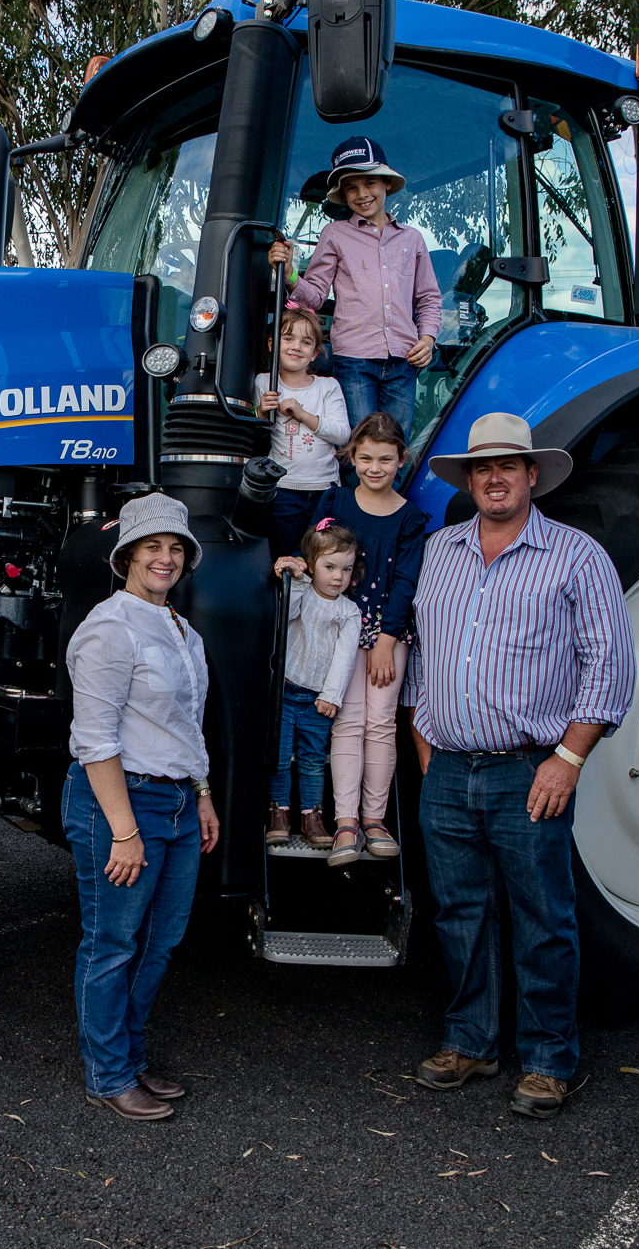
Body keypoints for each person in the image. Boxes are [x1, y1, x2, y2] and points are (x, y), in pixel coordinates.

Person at [406, 412, 635, 1120]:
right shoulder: (440, 550)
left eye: (508, 465)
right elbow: (422, 651)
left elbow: (610, 663)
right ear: (470, 479)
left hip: (528, 770)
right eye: (483, 467)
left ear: (533, 474)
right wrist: (424, 737)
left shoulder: (577, 556)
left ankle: (546, 1059)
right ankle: (470, 1042)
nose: (495, 478)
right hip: (447, 769)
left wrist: (568, 758)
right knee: (459, 915)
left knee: (543, 918)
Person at [63, 492, 222, 1122]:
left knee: (160, 941)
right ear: (127, 555)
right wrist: (124, 831)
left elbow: (187, 726)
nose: (165, 558)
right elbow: (94, 740)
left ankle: (129, 1058)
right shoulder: (109, 628)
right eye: (152, 546)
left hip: (177, 801)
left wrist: (202, 795)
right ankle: (108, 1075)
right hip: (121, 802)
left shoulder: (184, 631)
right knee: (112, 943)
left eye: (175, 548)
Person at [276, 413, 429, 867]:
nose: (375, 468)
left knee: (380, 722)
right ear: (352, 457)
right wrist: (292, 564)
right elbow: (311, 552)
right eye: (365, 458)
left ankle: (374, 819)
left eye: (385, 459)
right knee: (347, 721)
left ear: (401, 460)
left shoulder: (410, 517)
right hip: (336, 628)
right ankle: (345, 821)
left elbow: (405, 582)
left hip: (386, 632)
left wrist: (386, 641)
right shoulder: (336, 500)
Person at [266, 135, 442, 442]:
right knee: (357, 444)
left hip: (403, 360)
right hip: (354, 360)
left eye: (369, 183)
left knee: (395, 447)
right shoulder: (334, 235)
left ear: (386, 183)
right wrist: (290, 273)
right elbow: (315, 297)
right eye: (351, 187)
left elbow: (428, 298)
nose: (362, 194)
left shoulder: (411, 239)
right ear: (343, 193)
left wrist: (427, 339)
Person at [267, 523, 361, 848]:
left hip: (317, 699)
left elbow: (345, 657)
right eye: (330, 567)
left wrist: (331, 695)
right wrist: (295, 578)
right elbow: (287, 614)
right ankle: (278, 812)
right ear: (311, 564)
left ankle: (312, 817)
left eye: (346, 569)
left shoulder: (348, 612)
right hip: (284, 692)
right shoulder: (301, 593)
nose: (338, 577)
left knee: (312, 760)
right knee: (280, 756)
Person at [254, 310, 351, 560]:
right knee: (287, 557)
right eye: (288, 338)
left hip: (325, 490)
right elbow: (252, 434)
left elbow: (343, 434)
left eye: (306, 342)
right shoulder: (264, 383)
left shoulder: (327, 386)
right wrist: (261, 412)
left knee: (322, 556)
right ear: (272, 344)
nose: (296, 347)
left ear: (315, 353)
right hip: (284, 489)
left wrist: (302, 414)